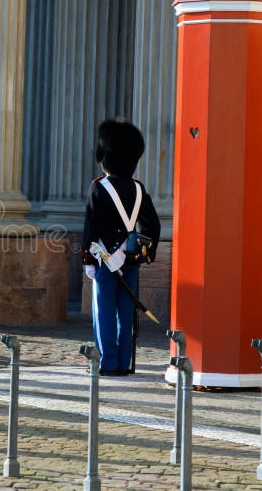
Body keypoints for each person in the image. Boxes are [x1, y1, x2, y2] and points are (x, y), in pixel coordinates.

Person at [82, 119, 160, 376]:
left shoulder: (98, 187)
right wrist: (137, 252)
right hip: (130, 262)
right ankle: (124, 363)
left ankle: (108, 363)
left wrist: (89, 261)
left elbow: (91, 228)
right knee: (125, 314)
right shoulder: (138, 189)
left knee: (103, 312)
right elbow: (152, 225)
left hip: (105, 259)